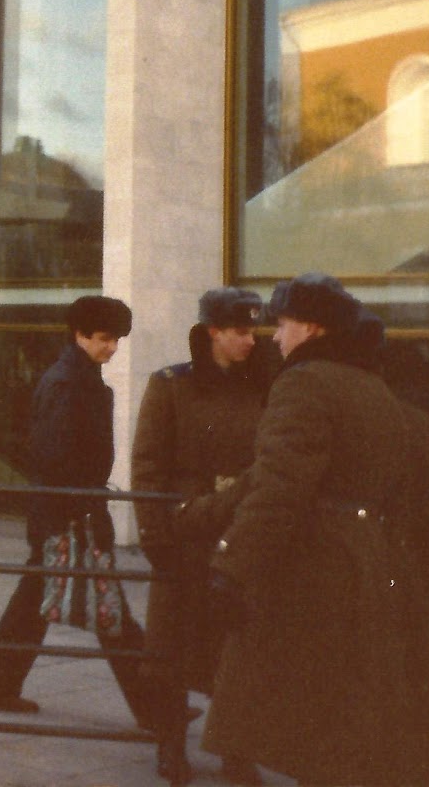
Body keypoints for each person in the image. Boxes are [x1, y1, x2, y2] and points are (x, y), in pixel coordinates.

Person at [202, 274, 429, 786]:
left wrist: (230, 567)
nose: (275, 336)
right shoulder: (374, 390)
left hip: (318, 577)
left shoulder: (305, 382)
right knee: (352, 730)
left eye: (284, 324)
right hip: (372, 572)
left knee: (311, 721)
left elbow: (279, 487)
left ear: (313, 328)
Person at [0, 295, 158, 731]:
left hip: (64, 514)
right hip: (72, 516)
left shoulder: (75, 377)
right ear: (80, 335)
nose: (112, 347)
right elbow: (54, 455)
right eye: (105, 339)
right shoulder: (69, 383)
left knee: (38, 603)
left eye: (116, 340)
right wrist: (79, 513)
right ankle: (156, 705)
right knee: (110, 613)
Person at [131, 288, 274, 786]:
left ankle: (236, 751)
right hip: (185, 536)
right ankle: (170, 748)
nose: (249, 341)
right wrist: (154, 536)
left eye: (253, 330)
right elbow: (147, 466)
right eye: (239, 331)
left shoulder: (263, 386)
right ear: (213, 331)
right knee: (172, 651)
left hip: (238, 535)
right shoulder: (172, 386)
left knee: (236, 650)